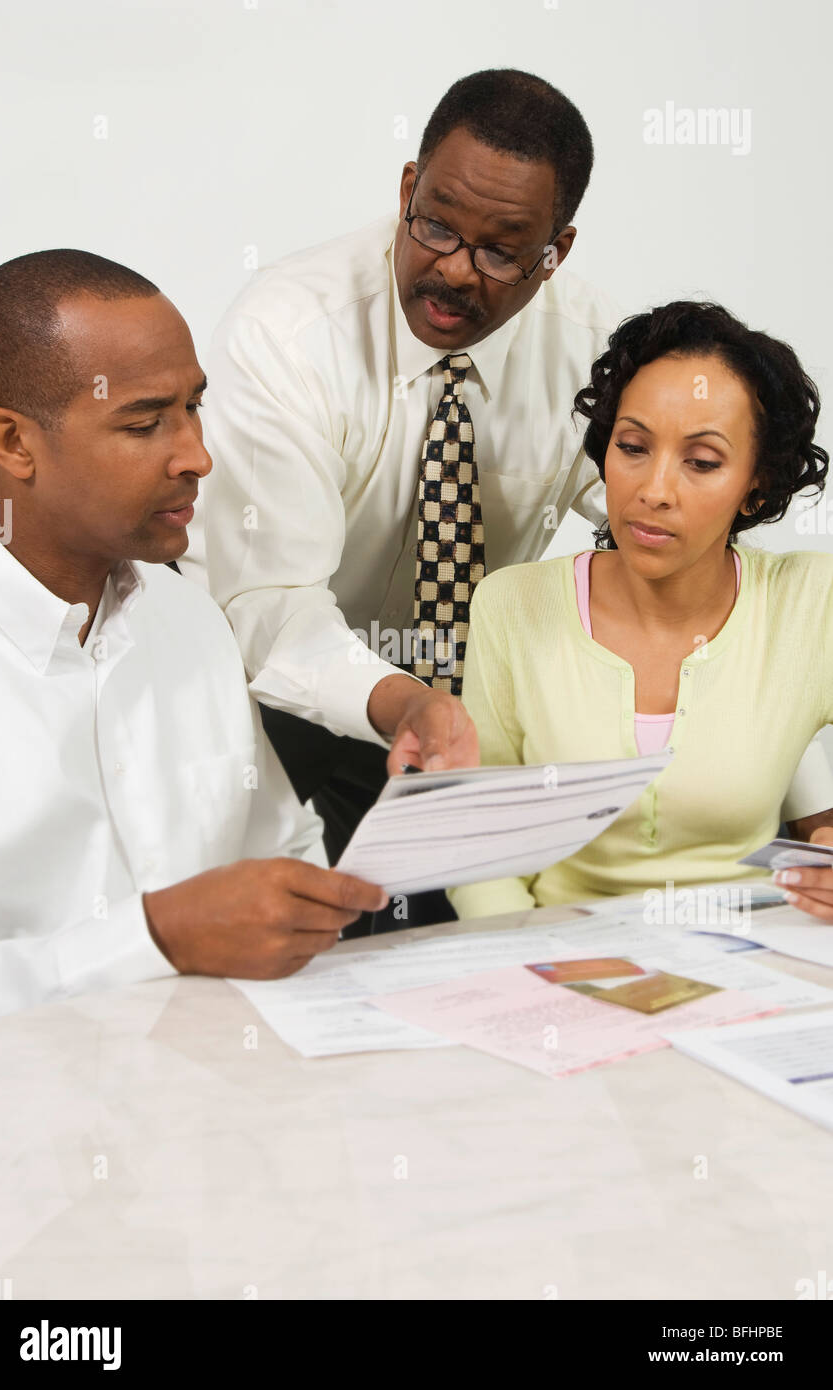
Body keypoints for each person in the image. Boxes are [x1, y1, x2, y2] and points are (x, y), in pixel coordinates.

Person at [190, 67, 833, 933]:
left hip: (481, 722)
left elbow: (683, 544)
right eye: (435, 227)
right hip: (299, 704)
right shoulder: (289, 333)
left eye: (500, 251)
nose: (455, 270)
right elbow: (269, 602)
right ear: (407, 189)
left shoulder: (584, 345)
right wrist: (403, 700)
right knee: (318, 957)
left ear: (554, 250)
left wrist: (806, 791)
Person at [0, 250, 387, 1023]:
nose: (197, 456)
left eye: (195, 408)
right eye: (144, 422)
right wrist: (155, 936)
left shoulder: (187, 617)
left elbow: (283, 848)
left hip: (224, 1102)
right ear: (13, 443)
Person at [447, 300, 833, 920]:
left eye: (702, 462)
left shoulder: (811, 602)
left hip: (754, 961)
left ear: (756, 484)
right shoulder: (514, 604)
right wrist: (526, 967)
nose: (654, 491)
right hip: (557, 964)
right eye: (632, 447)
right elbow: (482, 838)